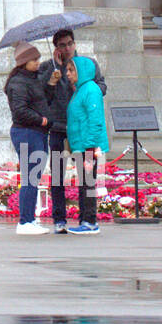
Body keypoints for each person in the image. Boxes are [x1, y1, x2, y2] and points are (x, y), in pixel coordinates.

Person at [38, 29, 107, 233]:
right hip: (59, 127)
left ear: (74, 44)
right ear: (56, 47)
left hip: (82, 128)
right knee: (58, 176)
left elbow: (102, 86)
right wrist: (52, 79)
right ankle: (59, 219)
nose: (66, 48)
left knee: (86, 175)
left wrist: (84, 87)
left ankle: (88, 218)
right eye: (62, 45)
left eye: (69, 44)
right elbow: (40, 96)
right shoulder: (47, 67)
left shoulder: (87, 65)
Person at [4, 41, 51, 235]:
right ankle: (25, 221)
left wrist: (53, 83)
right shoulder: (18, 83)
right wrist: (41, 120)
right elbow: (20, 111)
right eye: (34, 59)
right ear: (24, 62)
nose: (38, 62)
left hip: (35, 132)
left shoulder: (32, 79)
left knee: (34, 176)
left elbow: (40, 99)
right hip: (27, 132)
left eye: (38, 58)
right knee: (30, 177)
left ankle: (30, 219)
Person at [64, 55, 109, 234]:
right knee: (84, 184)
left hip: (88, 147)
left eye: (71, 70)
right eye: (67, 70)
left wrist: (89, 147)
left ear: (81, 71)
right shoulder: (80, 90)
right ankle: (85, 219)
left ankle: (90, 221)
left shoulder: (90, 89)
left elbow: (95, 120)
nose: (67, 73)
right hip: (81, 146)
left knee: (88, 184)